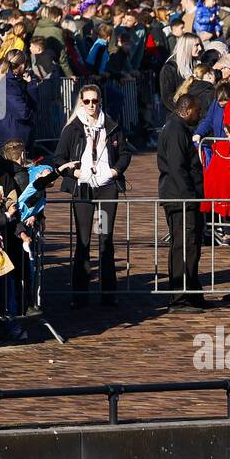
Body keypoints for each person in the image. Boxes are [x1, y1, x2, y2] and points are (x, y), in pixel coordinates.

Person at [53, 83, 130, 307]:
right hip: (84, 188)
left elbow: (125, 153)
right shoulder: (73, 128)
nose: (91, 105)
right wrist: (75, 172)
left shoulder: (111, 126)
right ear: (81, 102)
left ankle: (108, 294)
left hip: (106, 187)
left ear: (100, 102)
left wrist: (114, 171)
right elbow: (59, 158)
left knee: (105, 237)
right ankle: (80, 295)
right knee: (84, 240)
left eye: (94, 101)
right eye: (86, 101)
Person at [156, 94, 205, 304]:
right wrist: (189, 197)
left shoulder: (180, 129)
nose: (199, 114)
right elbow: (177, 167)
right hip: (180, 198)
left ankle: (192, 291)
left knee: (191, 244)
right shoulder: (176, 130)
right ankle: (180, 294)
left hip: (183, 196)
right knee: (183, 245)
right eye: (196, 110)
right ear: (186, 110)